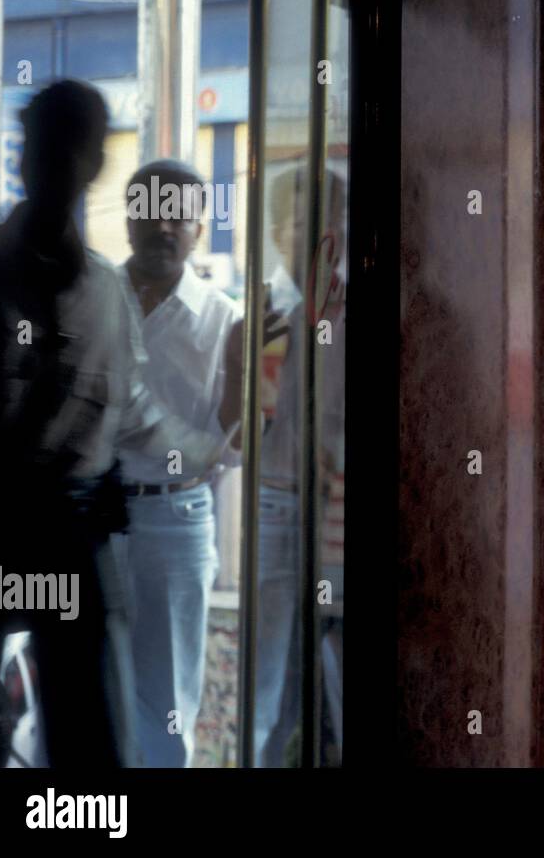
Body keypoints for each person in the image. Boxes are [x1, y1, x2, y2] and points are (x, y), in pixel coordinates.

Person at [0, 81, 230, 767]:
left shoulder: (102, 290)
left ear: (92, 165)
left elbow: (136, 409)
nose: (52, 163)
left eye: (71, 148)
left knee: (95, 743)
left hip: (72, 537)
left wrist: (210, 449)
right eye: (40, 144)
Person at [116, 160, 277, 767]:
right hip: (89, 514)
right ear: (128, 219)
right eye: (149, 208)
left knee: (167, 703)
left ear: (199, 228)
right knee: (86, 682)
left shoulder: (224, 317)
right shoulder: (96, 296)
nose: (163, 223)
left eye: (178, 212)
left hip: (175, 519)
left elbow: (236, 448)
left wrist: (242, 367)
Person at [235, 165, 347, 766]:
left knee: (331, 666)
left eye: (335, 222)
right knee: (266, 676)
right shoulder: (260, 312)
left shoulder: (353, 311)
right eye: (307, 223)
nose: (326, 235)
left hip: (336, 512)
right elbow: (236, 430)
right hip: (275, 503)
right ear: (278, 232)